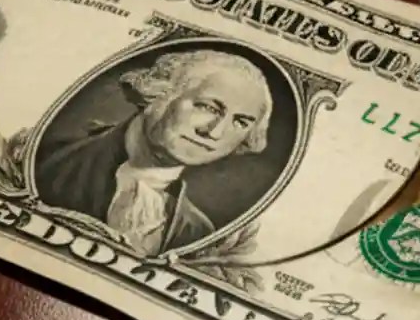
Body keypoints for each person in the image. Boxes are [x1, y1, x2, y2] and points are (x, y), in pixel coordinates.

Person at [36, 48, 273, 254]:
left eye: (240, 122)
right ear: (157, 95)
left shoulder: (196, 230)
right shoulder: (48, 161)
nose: (215, 132)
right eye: (208, 107)